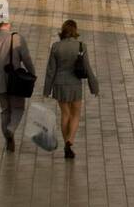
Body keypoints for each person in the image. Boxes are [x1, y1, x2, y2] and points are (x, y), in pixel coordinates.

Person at [42, 19, 98, 159]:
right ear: (75, 31)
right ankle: (70, 141)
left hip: (59, 85)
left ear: (63, 31)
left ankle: (66, 141)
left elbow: (50, 71)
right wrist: (94, 86)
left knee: (65, 114)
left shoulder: (56, 47)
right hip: (75, 85)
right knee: (76, 114)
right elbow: (87, 68)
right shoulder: (81, 46)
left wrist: (46, 90)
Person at [0, 19, 34, 151]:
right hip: (16, 81)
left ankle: (8, 139)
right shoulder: (17, 38)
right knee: (18, 108)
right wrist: (32, 74)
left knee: (5, 110)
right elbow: (27, 59)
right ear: (8, 24)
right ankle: (11, 129)